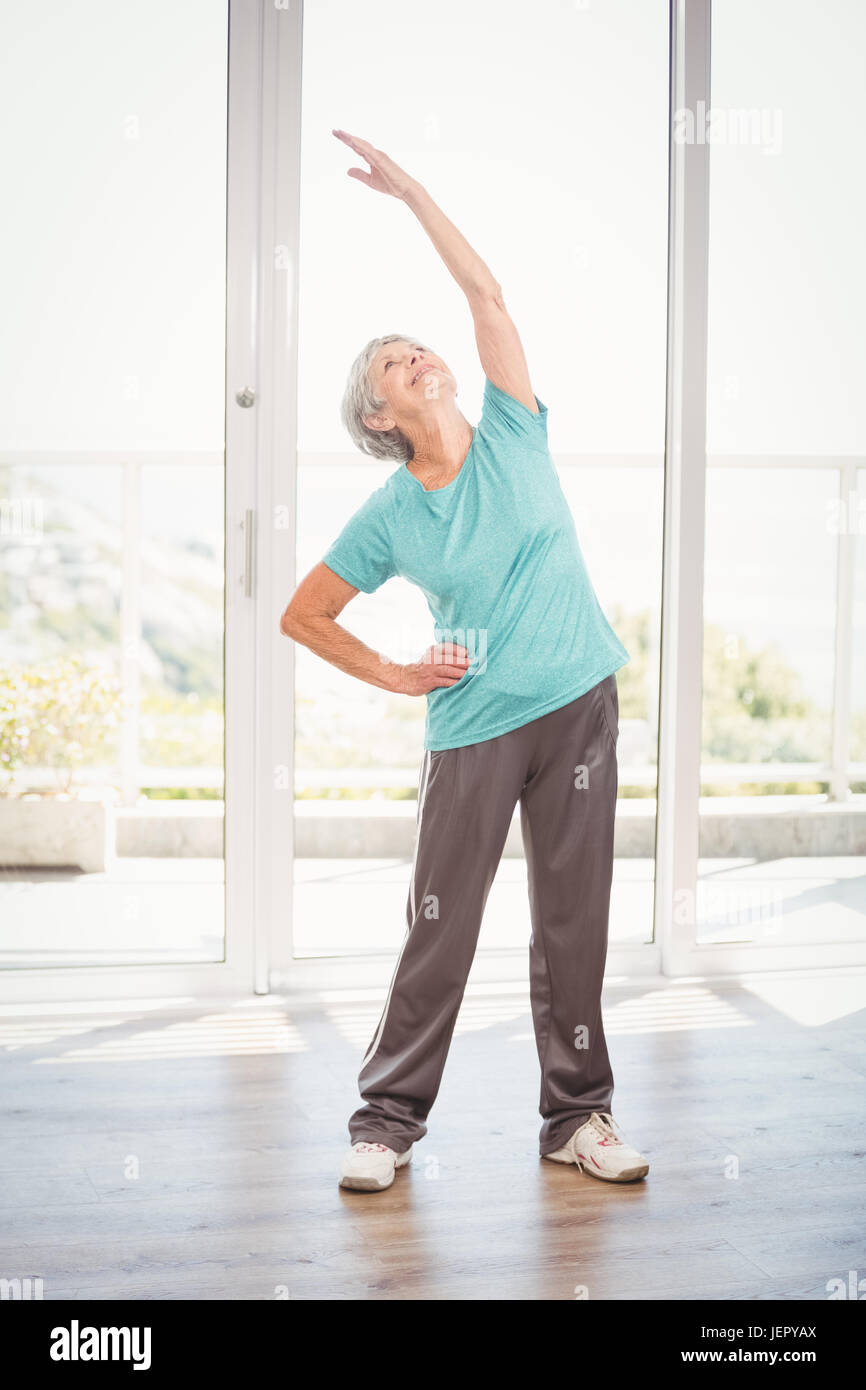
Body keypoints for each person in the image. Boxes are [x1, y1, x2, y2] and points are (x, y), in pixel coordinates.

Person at [280, 129, 649, 1193]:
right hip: (475, 726)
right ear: (377, 415)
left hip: (577, 699)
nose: (419, 357)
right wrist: (399, 674)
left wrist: (411, 194)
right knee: (439, 931)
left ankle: (578, 1116)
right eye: (394, 364)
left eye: (416, 348)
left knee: (573, 922)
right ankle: (385, 1123)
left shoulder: (513, 432)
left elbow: (485, 293)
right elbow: (306, 613)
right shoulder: (392, 513)